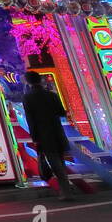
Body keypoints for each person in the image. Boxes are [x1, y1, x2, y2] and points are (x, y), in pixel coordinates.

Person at [22, 70, 77, 201]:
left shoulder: (28, 98)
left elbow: (31, 119)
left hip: (43, 134)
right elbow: (61, 112)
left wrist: (35, 138)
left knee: (54, 162)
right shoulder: (51, 95)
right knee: (60, 160)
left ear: (28, 82)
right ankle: (66, 189)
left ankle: (66, 191)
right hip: (57, 131)